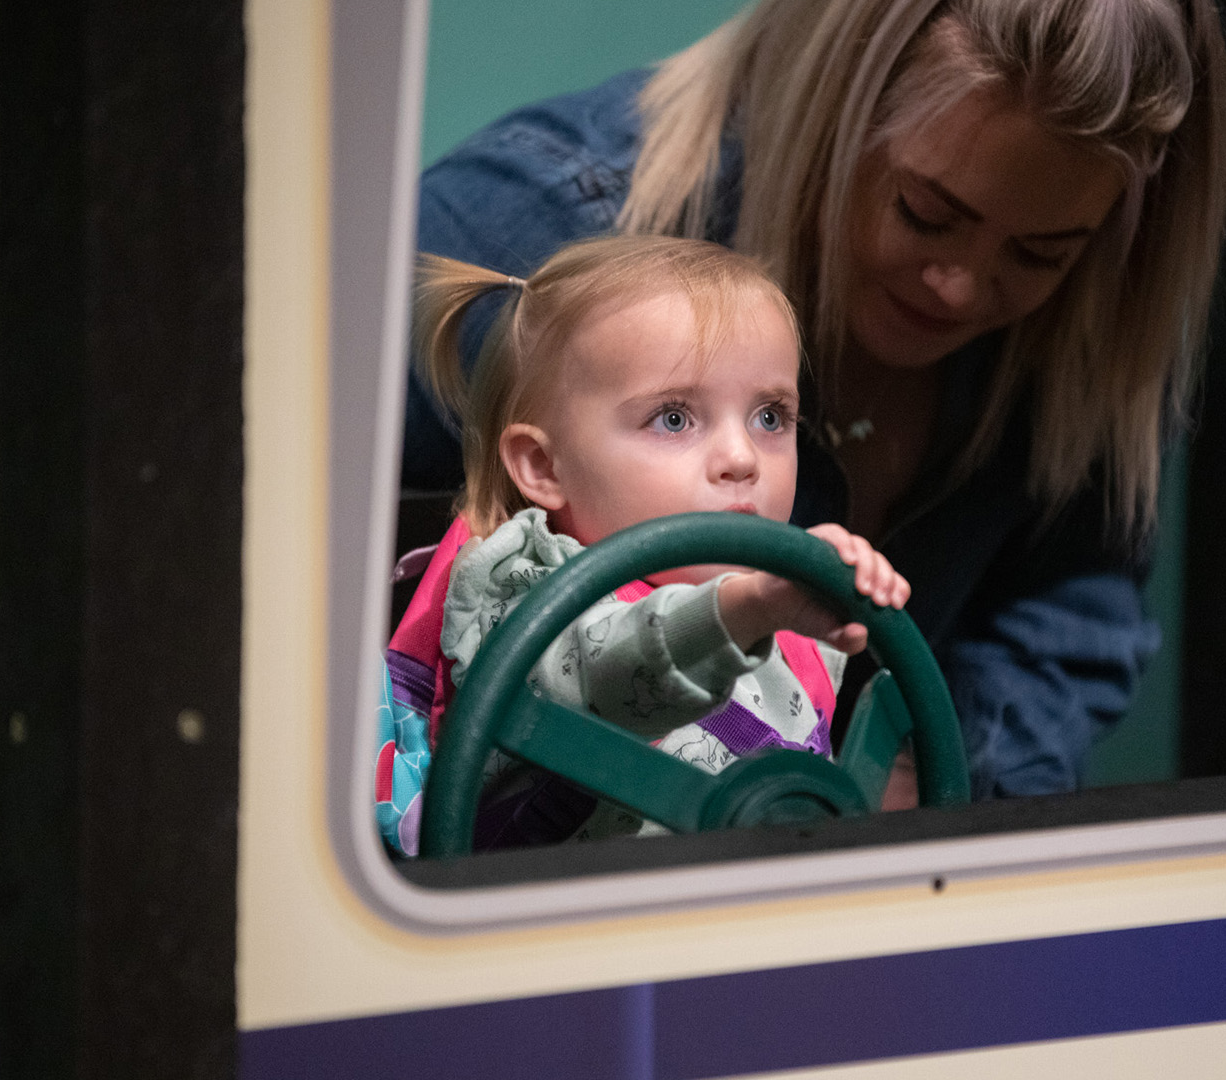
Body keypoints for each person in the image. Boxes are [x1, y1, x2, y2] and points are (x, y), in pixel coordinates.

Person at [405, 0, 1226, 801]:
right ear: (834, 104)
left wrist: (927, 784)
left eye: (1040, 255)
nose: (960, 287)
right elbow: (581, 672)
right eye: (925, 214)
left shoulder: (1097, 318)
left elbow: (1064, 618)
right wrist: (747, 609)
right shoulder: (533, 225)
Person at [377, 235, 910, 855]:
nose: (742, 458)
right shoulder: (523, 596)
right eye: (674, 418)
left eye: (770, 416)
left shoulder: (774, 605)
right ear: (544, 467)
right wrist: (751, 607)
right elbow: (614, 670)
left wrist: (833, 595)